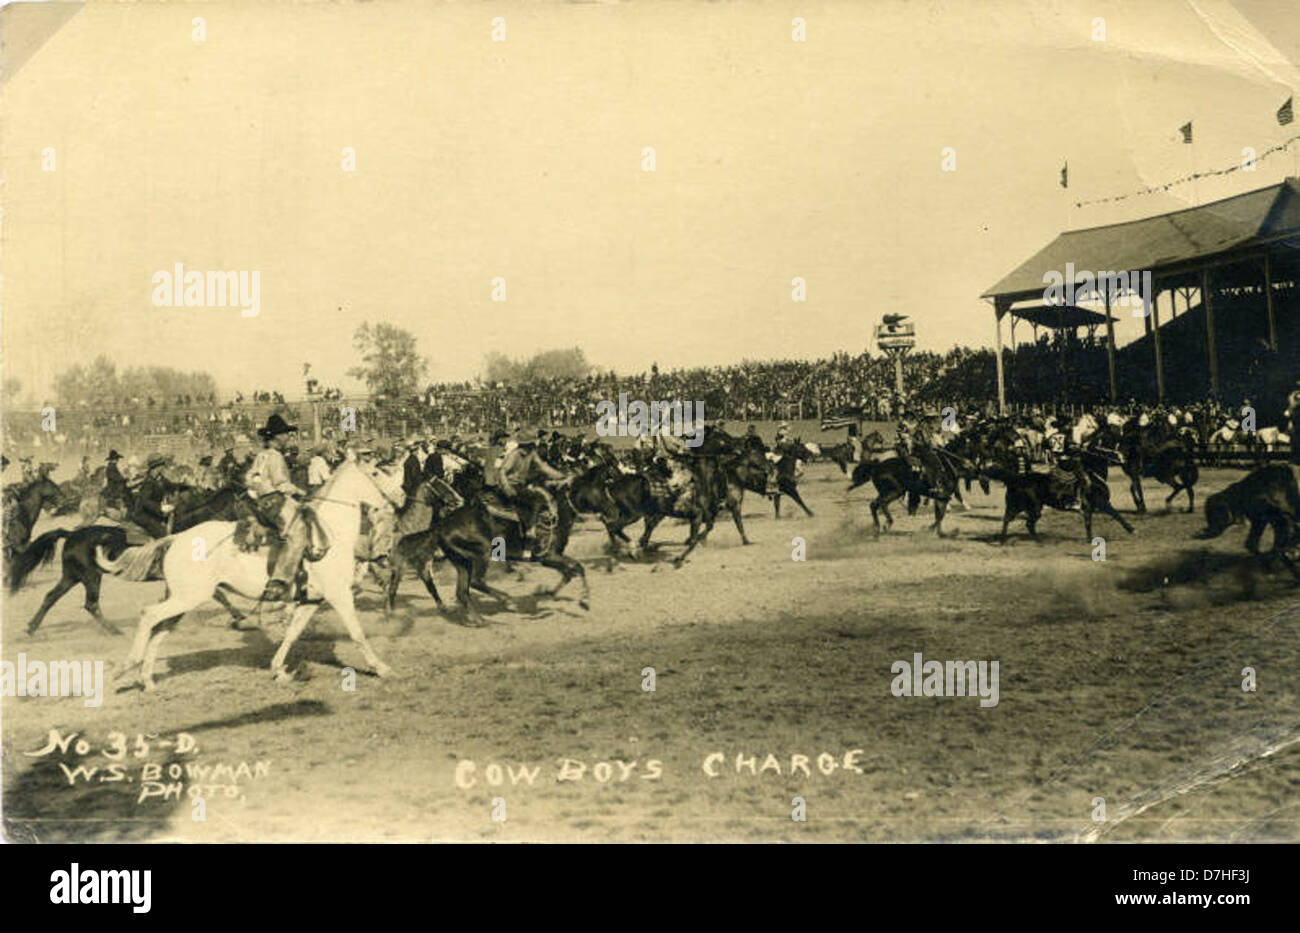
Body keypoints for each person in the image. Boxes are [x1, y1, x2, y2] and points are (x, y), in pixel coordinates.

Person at [245, 414, 309, 604]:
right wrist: (300, 492)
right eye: (285, 435)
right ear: (276, 437)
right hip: (275, 501)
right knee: (299, 532)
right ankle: (279, 581)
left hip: (261, 502)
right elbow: (282, 483)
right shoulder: (276, 456)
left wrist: (260, 491)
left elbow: (250, 480)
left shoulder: (260, 456)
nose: (288, 438)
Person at [497, 430, 568, 553]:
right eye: (530, 444)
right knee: (536, 500)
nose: (532, 446)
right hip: (511, 485)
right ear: (525, 445)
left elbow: (543, 468)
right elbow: (502, 471)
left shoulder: (532, 454)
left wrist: (561, 476)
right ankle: (531, 529)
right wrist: (507, 488)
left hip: (520, 486)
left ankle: (533, 530)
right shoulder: (515, 455)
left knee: (540, 499)